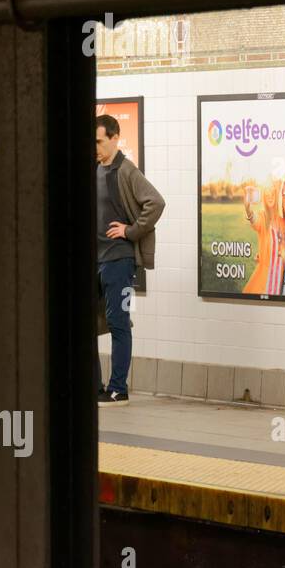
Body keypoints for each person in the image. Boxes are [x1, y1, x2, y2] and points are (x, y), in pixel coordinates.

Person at [94, 114, 166, 406]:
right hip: (95, 260)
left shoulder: (126, 171)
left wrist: (131, 230)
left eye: (99, 141)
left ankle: (118, 389)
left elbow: (156, 201)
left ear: (114, 138)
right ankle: (95, 386)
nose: (95, 147)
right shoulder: (94, 169)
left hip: (119, 261)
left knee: (118, 322)